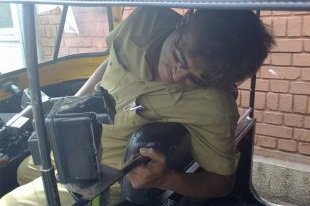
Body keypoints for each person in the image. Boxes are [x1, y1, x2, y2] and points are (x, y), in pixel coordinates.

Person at [0, 7, 274, 206]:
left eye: (196, 79)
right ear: (186, 19)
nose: (177, 76)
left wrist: (167, 179)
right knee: (22, 169)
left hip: (98, 180)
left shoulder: (214, 106)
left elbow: (222, 183)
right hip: (68, 144)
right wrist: (72, 105)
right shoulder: (146, 20)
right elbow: (112, 60)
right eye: (179, 56)